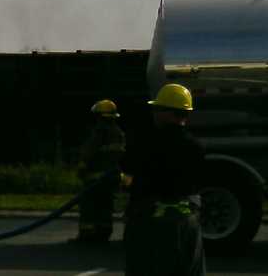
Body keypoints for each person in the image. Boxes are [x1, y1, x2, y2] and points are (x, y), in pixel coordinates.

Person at [124, 84, 206, 276]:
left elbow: (132, 173)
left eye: (157, 109)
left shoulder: (147, 143)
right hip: (187, 221)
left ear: (168, 113)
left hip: (152, 223)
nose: (153, 113)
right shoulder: (196, 146)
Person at [74, 99, 125, 243]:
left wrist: (81, 168)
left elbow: (88, 153)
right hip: (111, 178)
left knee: (88, 205)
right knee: (105, 206)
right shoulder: (119, 133)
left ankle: (87, 235)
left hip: (94, 179)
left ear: (99, 116)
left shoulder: (99, 132)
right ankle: (103, 233)